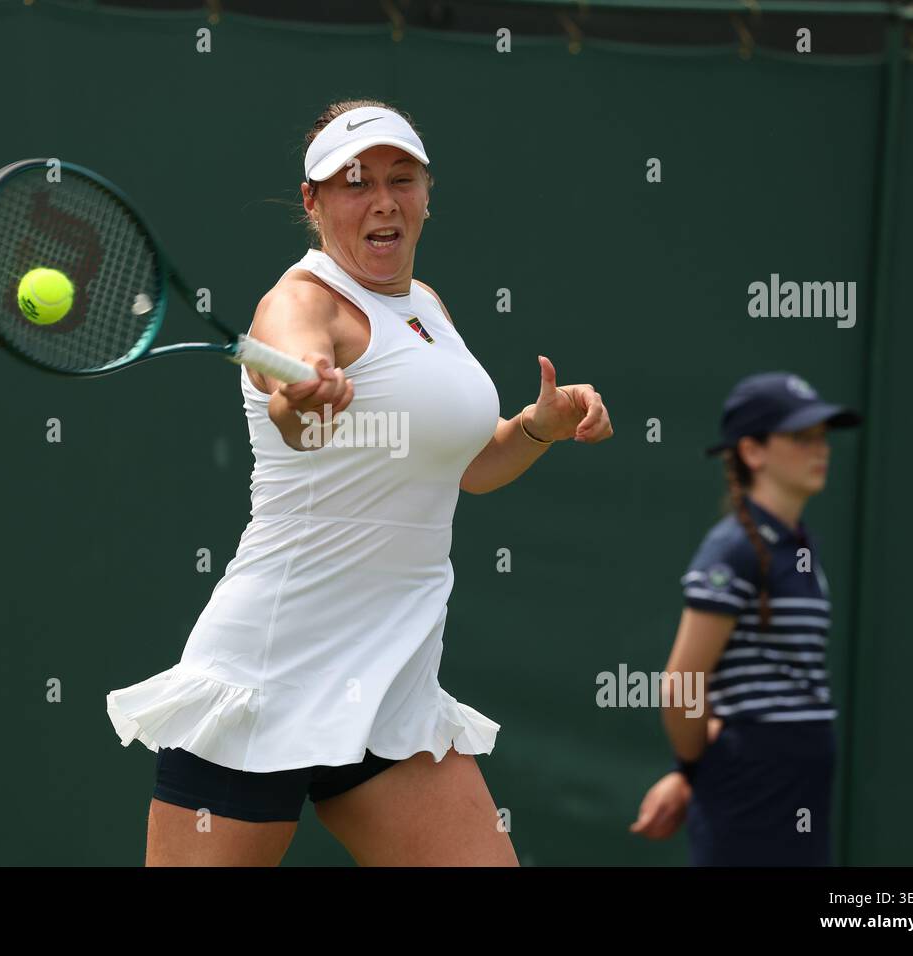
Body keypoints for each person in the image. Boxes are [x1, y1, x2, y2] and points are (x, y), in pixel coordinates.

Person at [105, 99, 614, 866]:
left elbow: (466, 469)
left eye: (400, 178)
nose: (382, 199)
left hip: (389, 691)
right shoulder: (299, 303)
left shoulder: (426, 307)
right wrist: (304, 396)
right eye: (353, 182)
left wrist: (540, 425)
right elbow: (296, 415)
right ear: (313, 203)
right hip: (267, 677)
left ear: (427, 193)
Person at [629, 372, 861, 865]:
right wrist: (691, 770)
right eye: (800, 437)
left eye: (822, 437)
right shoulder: (731, 550)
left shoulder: (798, 544)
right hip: (753, 787)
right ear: (752, 452)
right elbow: (682, 684)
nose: (820, 450)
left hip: (800, 783)